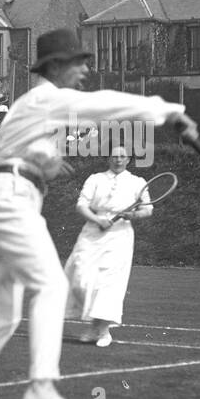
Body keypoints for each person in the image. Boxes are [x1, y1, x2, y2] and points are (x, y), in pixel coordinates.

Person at [0, 28, 196, 399]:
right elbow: (102, 105)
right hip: (12, 201)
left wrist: (46, 161)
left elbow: (9, 151)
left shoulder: (32, 107)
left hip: (1, 198)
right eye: (79, 62)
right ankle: (41, 385)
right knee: (53, 286)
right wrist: (169, 111)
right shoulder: (45, 97)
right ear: (56, 66)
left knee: (1, 314)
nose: (86, 69)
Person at [62, 147, 150, 349]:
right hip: (92, 232)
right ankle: (95, 326)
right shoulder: (95, 179)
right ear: (108, 158)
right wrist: (97, 220)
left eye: (122, 156)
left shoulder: (137, 182)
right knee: (79, 278)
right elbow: (81, 205)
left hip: (120, 236)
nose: (118, 160)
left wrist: (133, 215)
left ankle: (102, 330)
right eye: (114, 156)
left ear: (128, 159)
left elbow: (147, 209)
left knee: (108, 283)